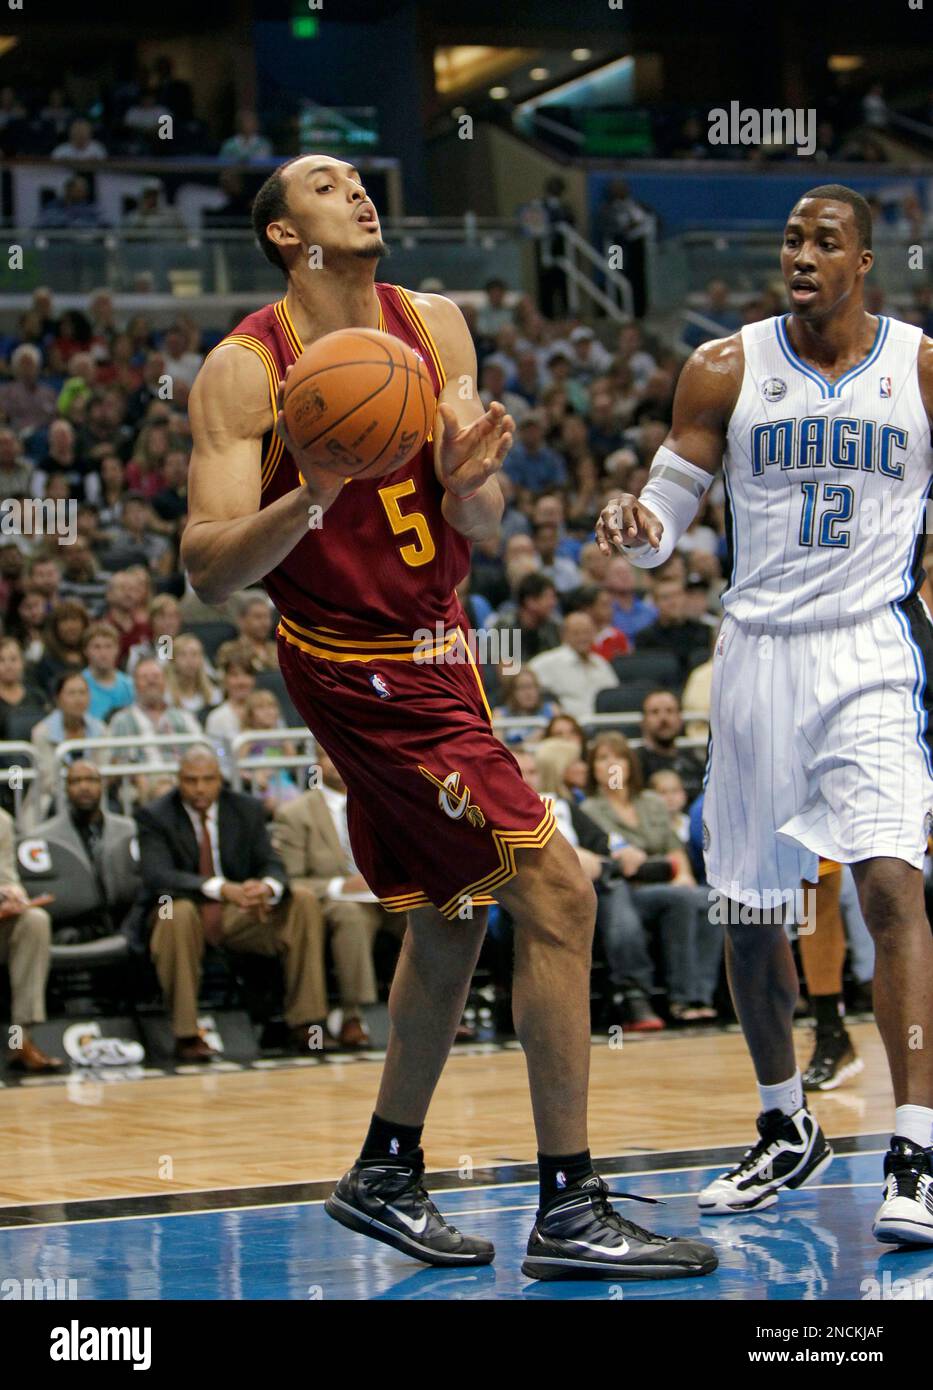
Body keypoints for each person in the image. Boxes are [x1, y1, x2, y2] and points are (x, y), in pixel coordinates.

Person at [181, 152, 715, 1280]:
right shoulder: (244, 372)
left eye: (359, 179)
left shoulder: (433, 324)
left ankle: (385, 1168)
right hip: (355, 664)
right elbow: (208, 571)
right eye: (325, 185)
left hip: (442, 644)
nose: (358, 190)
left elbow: (477, 504)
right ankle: (570, 1204)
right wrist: (313, 489)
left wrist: (477, 479)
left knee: (453, 912)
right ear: (286, 234)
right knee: (560, 889)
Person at [597, 183, 933, 1244]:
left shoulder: (920, 366)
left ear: (863, 262)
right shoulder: (723, 367)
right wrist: (635, 527)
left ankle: (916, 1146)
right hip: (755, 655)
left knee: (890, 884)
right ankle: (786, 1122)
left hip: (870, 649)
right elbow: (666, 521)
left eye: (824, 241)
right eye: (791, 239)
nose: (802, 254)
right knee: (749, 913)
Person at [136, 747, 328, 1062]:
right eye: (191, 780)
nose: (199, 788)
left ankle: (306, 1024)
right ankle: (186, 1035)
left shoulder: (246, 809)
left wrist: (265, 887)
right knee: (176, 915)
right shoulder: (155, 816)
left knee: (303, 900)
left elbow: (272, 864)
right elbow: (157, 875)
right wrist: (222, 889)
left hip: (239, 914)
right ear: (178, 781)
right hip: (185, 909)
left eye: (208, 780)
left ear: (220, 780)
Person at [581, 734, 722, 1022]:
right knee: (680, 899)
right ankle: (682, 998)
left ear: (630, 764)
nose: (612, 765)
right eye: (603, 758)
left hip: (665, 881)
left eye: (617, 757)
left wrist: (683, 874)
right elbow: (617, 862)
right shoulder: (590, 809)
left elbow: (673, 847)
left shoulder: (650, 802)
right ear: (593, 768)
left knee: (711, 899)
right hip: (624, 889)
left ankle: (702, 995)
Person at [272, 748, 384, 1049]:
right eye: (326, 754)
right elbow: (292, 880)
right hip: (332, 901)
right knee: (350, 915)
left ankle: (445, 1009)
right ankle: (352, 1017)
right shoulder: (295, 813)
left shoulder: (380, 801)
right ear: (316, 764)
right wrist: (340, 886)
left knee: (431, 909)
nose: (335, 760)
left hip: (386, 897)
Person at [34, 760, 140, 944]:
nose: (84, 787)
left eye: (91, 780)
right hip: (70, 924)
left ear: (103, 785)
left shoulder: (129, 831)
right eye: (76, 781)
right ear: (65, 789)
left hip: (123, 919)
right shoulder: (44, 838)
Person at [0, 806, 61, 1073]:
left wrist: (11, 895)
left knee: (34, 921)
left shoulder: (1, 822)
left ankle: (20, 1038)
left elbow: (7, 877)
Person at [528, 612, 619, 720]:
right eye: (576, 633)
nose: (583, 637)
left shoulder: (601, 663)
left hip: (600, 724)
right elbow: (522, 681)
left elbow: (615, 694)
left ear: (594, 633)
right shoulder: (547, 662)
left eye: (587, 632)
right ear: (563, 635)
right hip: (567, 727)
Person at [637, 689, 706, 802]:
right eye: (655, 712)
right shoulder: (634, 764)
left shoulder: (694, 762)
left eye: (670, 711)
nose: (663, 718)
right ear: (643, 722)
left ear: (680, 719)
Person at [80, 621, 134, 722]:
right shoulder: (78, 685)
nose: (103, 653)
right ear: (85, 651)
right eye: (96, 647)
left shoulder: (129, 685)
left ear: (117, 649)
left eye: (108, 646)